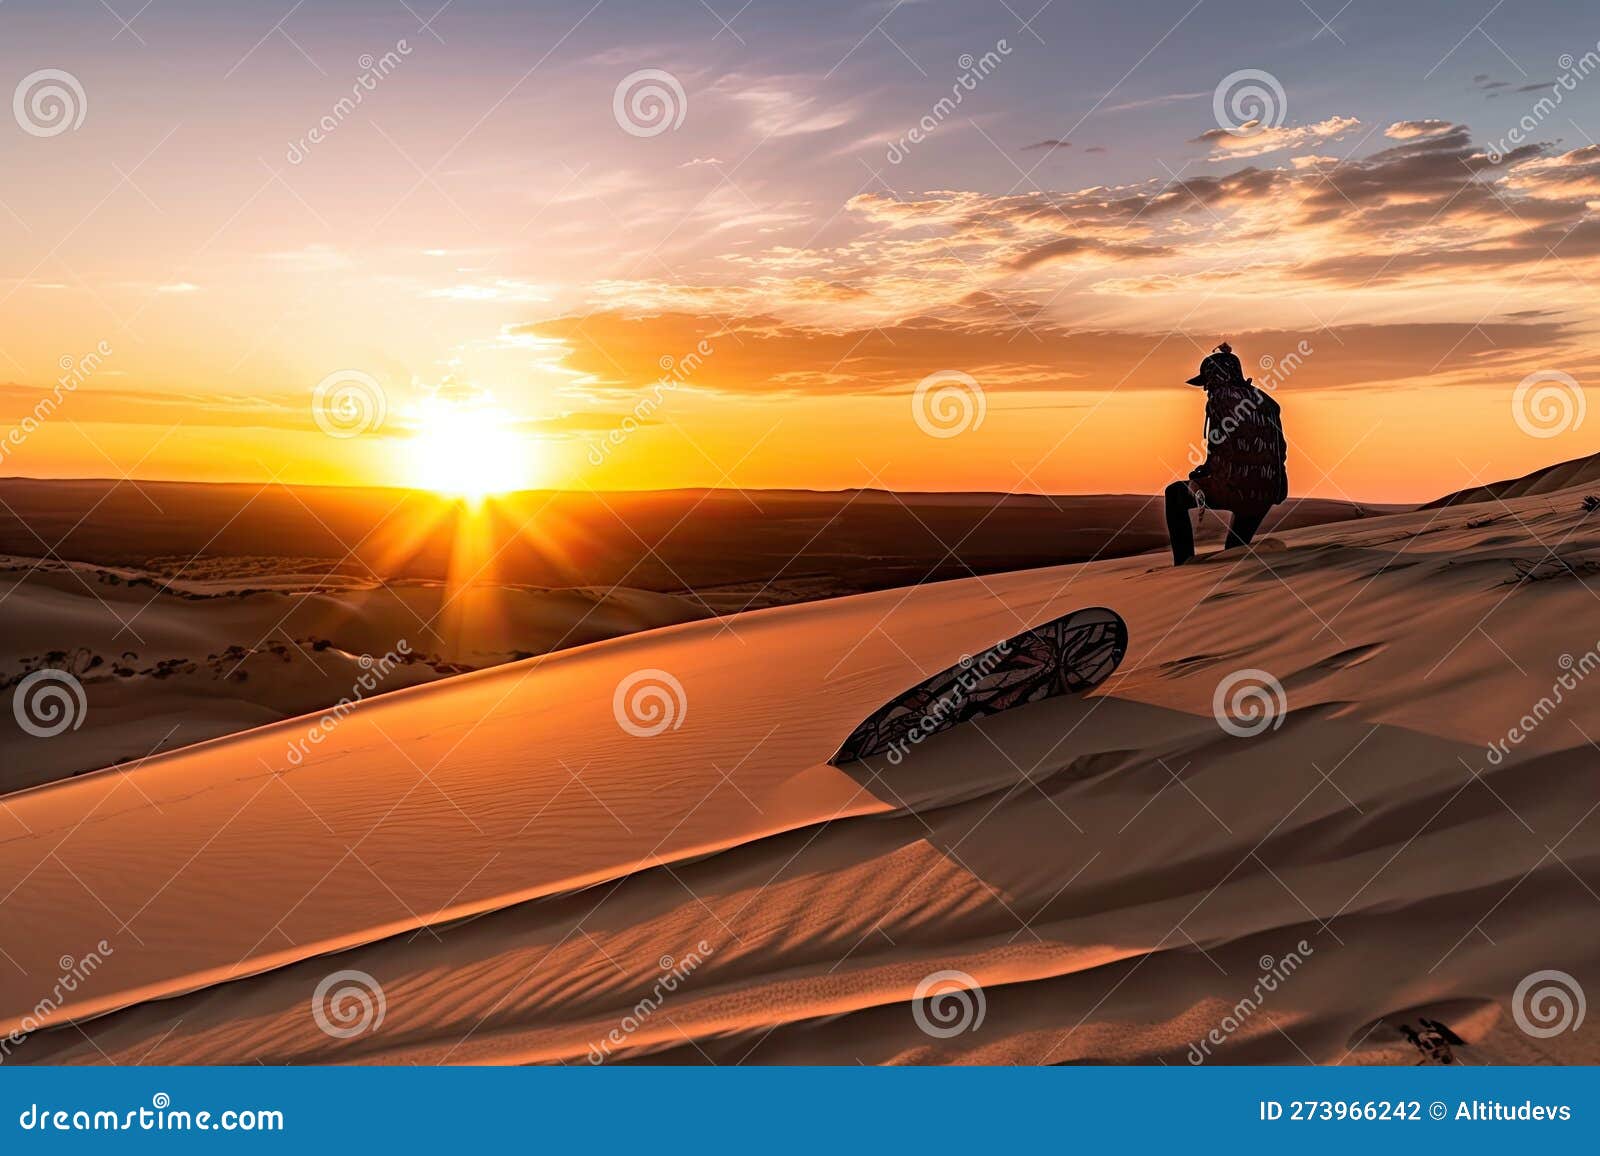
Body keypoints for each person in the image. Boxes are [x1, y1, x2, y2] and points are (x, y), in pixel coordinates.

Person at [1165, 342, 1288, 565]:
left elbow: (1219, 448)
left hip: (1234, 486)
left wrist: (1201, 475)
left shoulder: (1219, 399)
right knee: (1235, 553)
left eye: (1206, 383)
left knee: (1174, 494)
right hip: (1268, 490)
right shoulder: (1268, 402)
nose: (1206, 389)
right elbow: (1282, 449)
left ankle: (1182, 565)